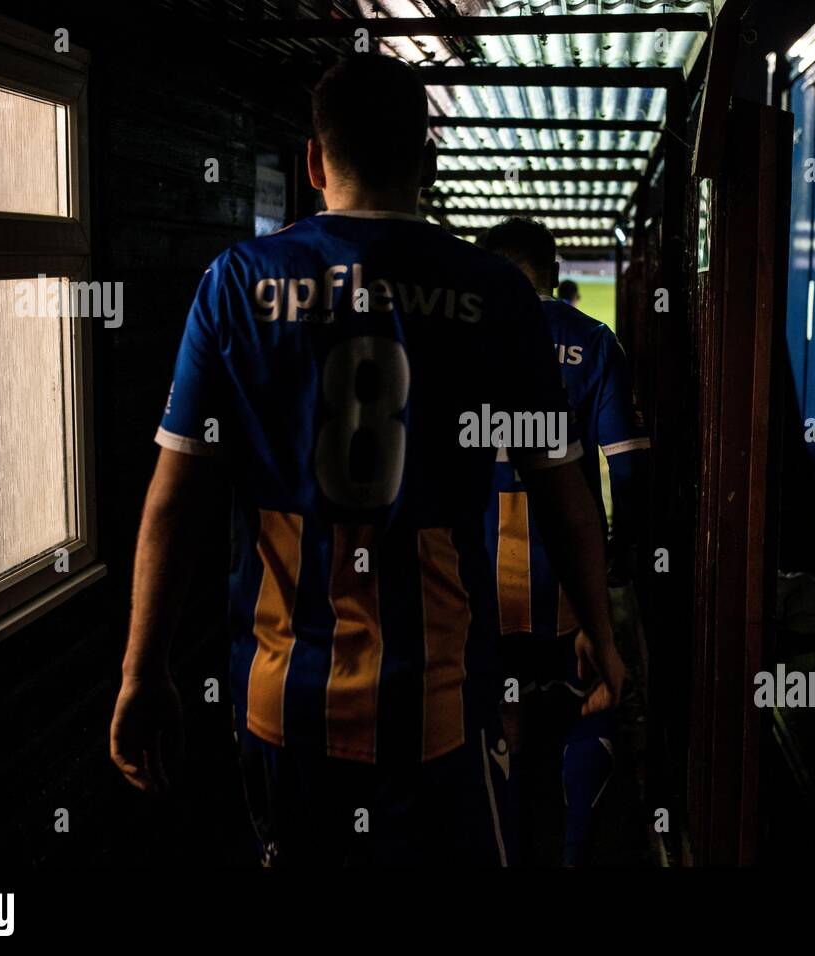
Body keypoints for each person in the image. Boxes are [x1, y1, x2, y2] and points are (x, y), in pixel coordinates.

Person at [108, 54, 624, 867]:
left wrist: (143, 671)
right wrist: (599, 628)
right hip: (442, 706)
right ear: (428, 162)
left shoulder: (237, 284)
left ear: (315, 163)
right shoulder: (495, 294)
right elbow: (562, 488)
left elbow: (175, 499)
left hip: (283, 702)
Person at [478, 218, 650, 865]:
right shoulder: (592, 340)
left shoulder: (457, 339)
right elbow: (629, 469)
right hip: (565, 593)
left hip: (473, 596)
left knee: (495, 742)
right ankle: (574, 852)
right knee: (585, 713)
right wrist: (613, 581)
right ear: (551, 271)